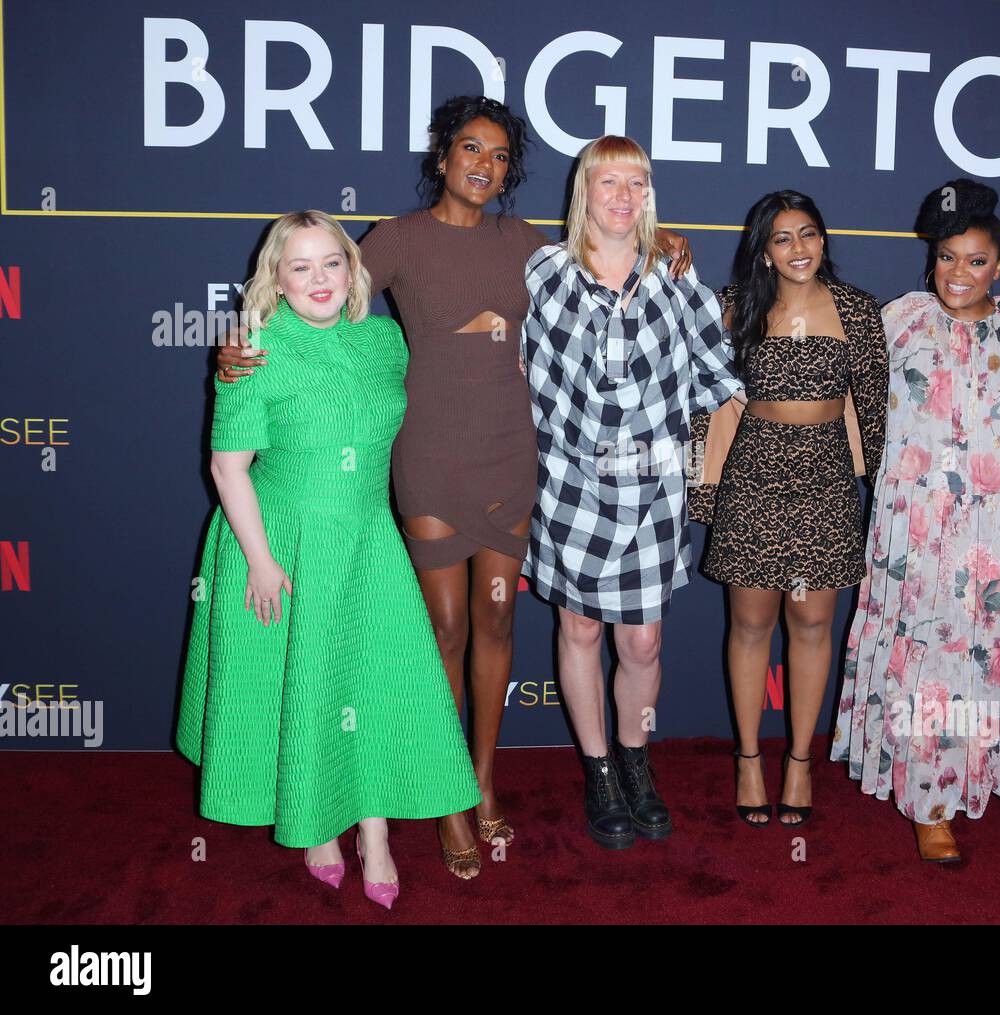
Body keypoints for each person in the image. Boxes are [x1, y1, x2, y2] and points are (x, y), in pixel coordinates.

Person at [216, 97, 693, 879]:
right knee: (442, 634)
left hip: (511, 460)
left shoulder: (528, 245)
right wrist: (244, 343)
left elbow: (603, 267)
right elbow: (319, 293)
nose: (485, 165)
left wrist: (657, 240)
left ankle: (480, 780)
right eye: (470, 148)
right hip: (430, 461)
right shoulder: (398, 240)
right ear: (442, 157)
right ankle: (447, 801)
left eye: (501, 155)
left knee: (497, 629)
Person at [177, 210, 481, 910]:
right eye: (301, 266)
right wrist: (259, 560)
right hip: (284, 540)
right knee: (312, 683)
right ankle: (317, 822)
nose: (319, 279)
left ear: (353, 270)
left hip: (368, 541)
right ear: (276, 280)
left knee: (367, 684)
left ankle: (373, 831)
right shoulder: (255, 348)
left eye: (332, 263)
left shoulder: (383, 340)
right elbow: (229, 469)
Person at [523, 135, 742, 849]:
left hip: (653, 488)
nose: (622, 195)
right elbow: (506, 369)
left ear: (649, 194)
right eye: (608, 181)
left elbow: (720, 374)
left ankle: (636, 761)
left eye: (636, 182)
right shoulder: (541, 273)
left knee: (642, 641)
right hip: (568, 483)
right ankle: (598, 772)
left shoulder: (674, 274)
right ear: (582, 190)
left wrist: (726, 472)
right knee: (580, 629)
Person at [830, 180, 1000, 862]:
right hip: (919, 531)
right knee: (930, 660)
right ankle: (931, 799)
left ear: (999, 264)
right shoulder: (903, 319)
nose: (959, 273)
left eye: (975, 260)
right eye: (948, 257)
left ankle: (986, 765)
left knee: (988, 651)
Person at [688, 191, 887, 827]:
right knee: (749, 625)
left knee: (811, 624)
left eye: (808, 234)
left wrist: (882, 490)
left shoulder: (856, 310)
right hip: (754, 472)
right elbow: (701, 402)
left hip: (827, 479)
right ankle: (748, 758)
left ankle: (799, 761)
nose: (798, 248)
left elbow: (878, 411)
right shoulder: (733, 307)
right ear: (764, 251)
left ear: (824, 240)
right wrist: (702, 487)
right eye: (783, 238)